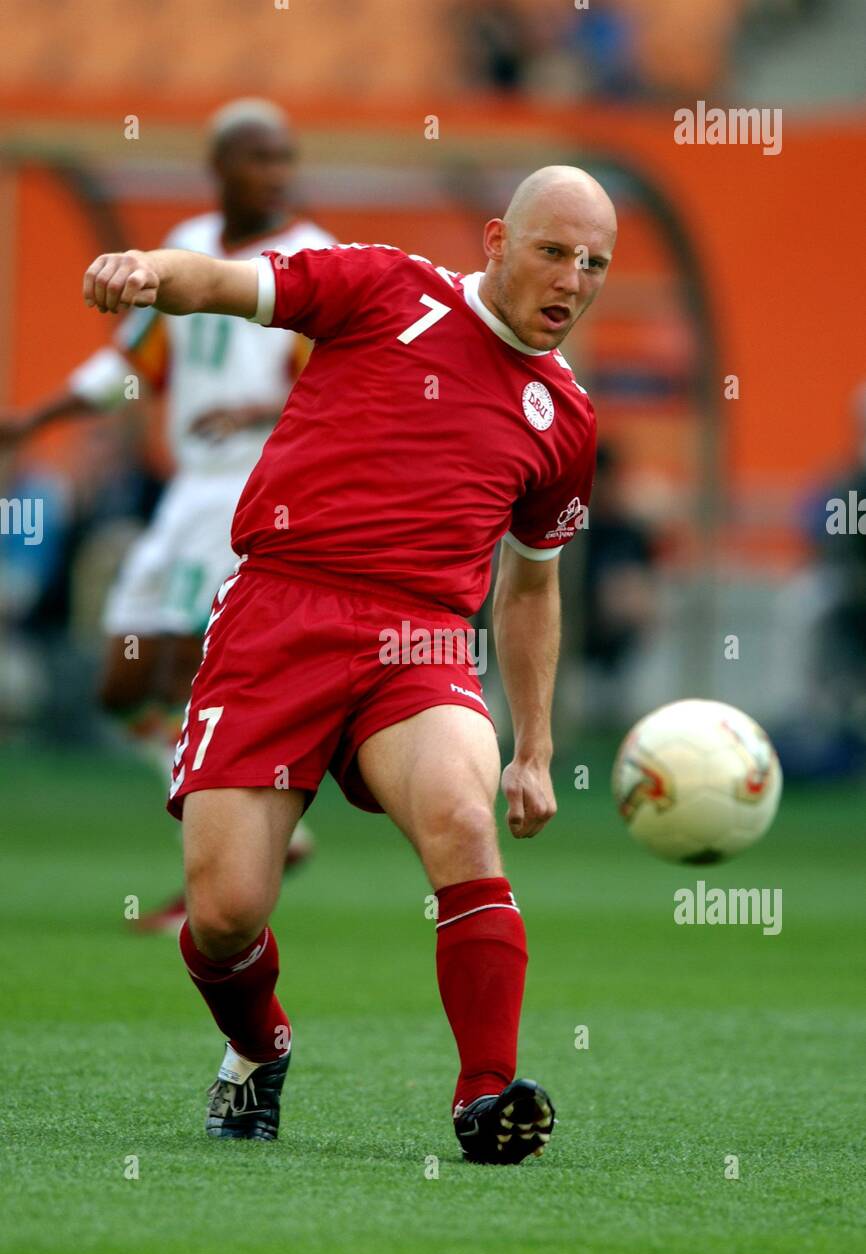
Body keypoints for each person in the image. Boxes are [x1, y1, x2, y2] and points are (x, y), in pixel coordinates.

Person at [82, 164, 617, 1164]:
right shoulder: (383, 288)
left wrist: (534, 748)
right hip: (278, 613)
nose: (572, 280)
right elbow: (228, 285)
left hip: (419, 642)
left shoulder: (565, 420)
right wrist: (146, 268)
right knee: (225, 913)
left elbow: (532, 587)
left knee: (462, 820)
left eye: (593, 263)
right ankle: (258, 1045)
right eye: (553, 251)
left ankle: (485, 1094)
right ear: (497, 241)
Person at [2, 98, 331, 930]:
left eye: (287, 158)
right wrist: (36, 420)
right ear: (220, 167)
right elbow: (132, 363)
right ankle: (264, 844)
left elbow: (340, 381)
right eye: (261, 158)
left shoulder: (313, 259)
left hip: (260, 488)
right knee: (123, 681)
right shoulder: (182, 250)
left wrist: (260, 410)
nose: (278, 174)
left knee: (195, 670)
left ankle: (220, 883)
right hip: (189, 488)